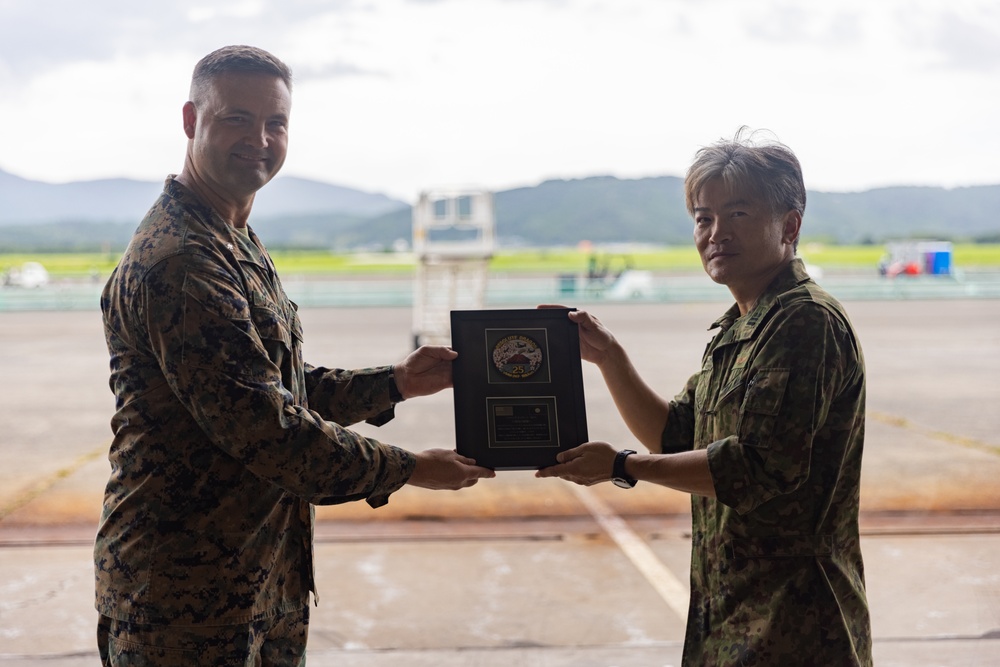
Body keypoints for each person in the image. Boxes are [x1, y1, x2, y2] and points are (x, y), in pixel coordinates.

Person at [95, 45, 494, 665]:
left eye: (275, 123)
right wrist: (411, 468)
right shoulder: (183, 261)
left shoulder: (228, 235)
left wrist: (394, 382)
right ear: (189, 120)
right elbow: (268, 430)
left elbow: (272, 385)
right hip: (184, 600)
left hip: (257, 581)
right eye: (235, 118)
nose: (259, 138)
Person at [538, 130, 872, 665]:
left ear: (790, 226)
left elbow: (757, 468)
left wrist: (623, 465)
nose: (716, 233)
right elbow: (675, 434)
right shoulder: (740, 328)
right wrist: (609, 358)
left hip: (795, 626)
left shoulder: (804, 322)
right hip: (730, 613)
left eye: (738, 214)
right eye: (703, 217)